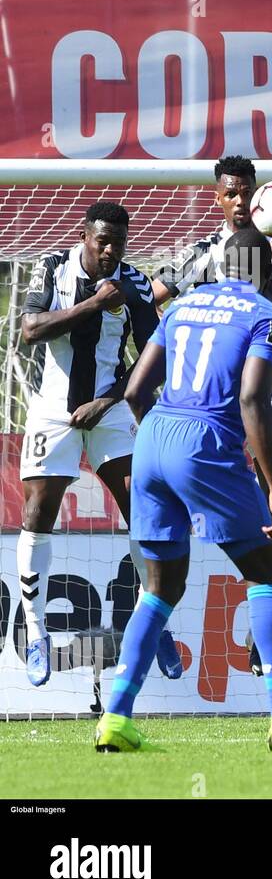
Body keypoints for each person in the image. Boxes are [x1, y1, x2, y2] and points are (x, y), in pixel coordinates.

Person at [95, 227, 272, 752]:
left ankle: (115, 717)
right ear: (260, 268)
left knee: (161, 586)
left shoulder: (183, 306)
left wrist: (160, 444)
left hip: (154, 436)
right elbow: (253, 398)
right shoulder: (267, 316)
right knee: (266, 572)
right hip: (206, 440)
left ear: (222, 264)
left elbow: (137, 389)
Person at [17, 201, 180, 687]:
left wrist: (107, 402)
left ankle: (157, 622)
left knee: (143, 509)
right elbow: (30, 330)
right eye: (101, 240)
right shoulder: (52, 268)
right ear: (85, 236)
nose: (109, 250)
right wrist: (94, 302)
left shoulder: (135, 285)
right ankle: (36, 631)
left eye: (118, 242)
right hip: (53, 408)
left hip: (108, 411)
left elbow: (160, 358)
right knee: (37, 513)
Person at [152, 155, 272, 593]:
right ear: (218, 197)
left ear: (259, 192)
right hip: (216, 386)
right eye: (231, 193)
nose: (240, 200)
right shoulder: (204, 252)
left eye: (246, 191)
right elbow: (152, 297)